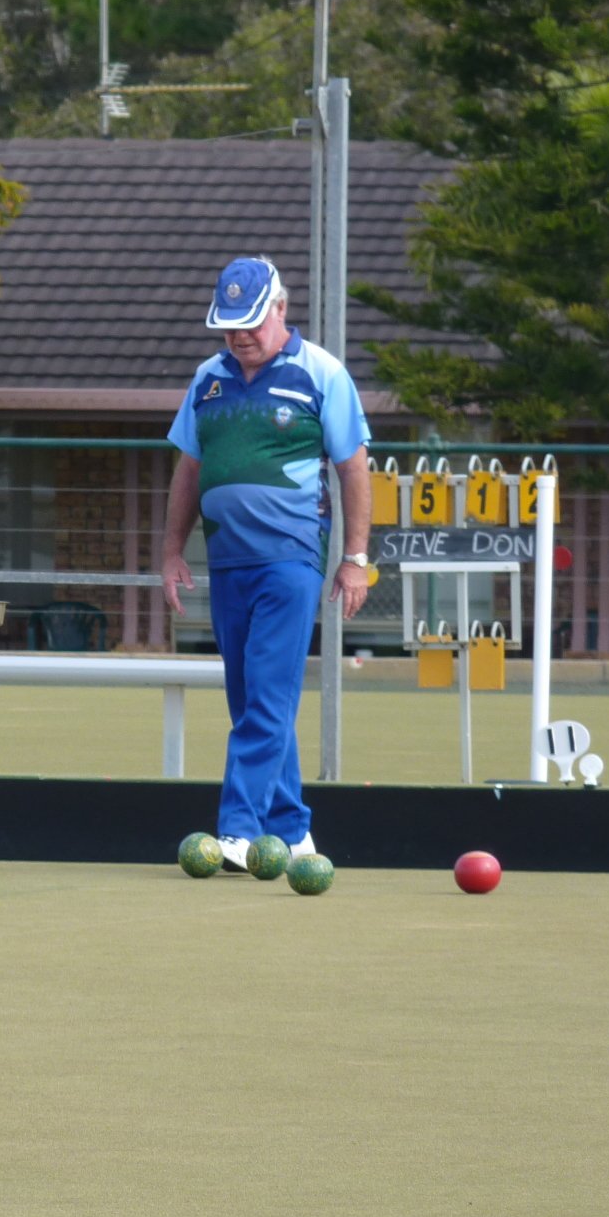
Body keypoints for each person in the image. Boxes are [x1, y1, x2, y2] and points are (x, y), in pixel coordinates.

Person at [160, 256, 372, 870]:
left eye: (251, 322)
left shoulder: (322, 373)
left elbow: (354, 467)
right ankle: (293, 829)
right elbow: (189, 467)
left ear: (281, 309)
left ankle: (238, 829)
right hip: (227, 564)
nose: (240, 337)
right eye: (229, 327)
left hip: (292, 560)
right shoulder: (207, 379)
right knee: (251, 697)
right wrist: (173, 550)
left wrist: (354, 559)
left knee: (269, 698)